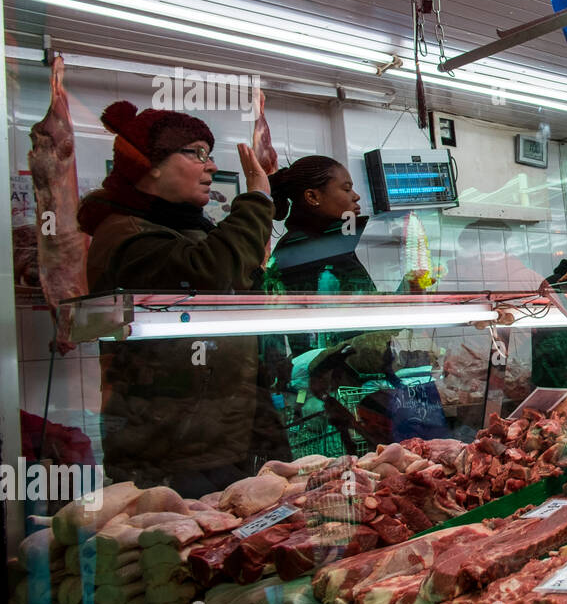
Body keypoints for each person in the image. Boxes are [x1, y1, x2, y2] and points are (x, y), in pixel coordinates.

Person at [77, 100, 290, 497]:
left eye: (209, 155)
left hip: (220, 438)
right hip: (171, 452)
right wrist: (258, 199)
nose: (211, 166)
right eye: (197, 153)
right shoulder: (126, 236)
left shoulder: (184, 229)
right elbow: (211, 276)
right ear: (149, 164)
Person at [265, 155, 374, 293]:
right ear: (312, 197)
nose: (356, 196)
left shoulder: (331, 244)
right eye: (346, 189)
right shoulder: (302, 251)